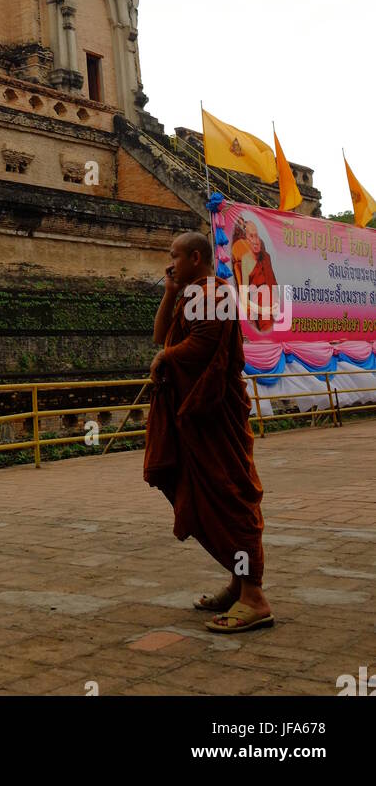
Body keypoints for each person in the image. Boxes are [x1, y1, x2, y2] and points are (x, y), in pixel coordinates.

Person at [143, 231, 273, 632]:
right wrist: (169, 292)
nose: (170, 263)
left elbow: (201, 347)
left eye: (175, 257)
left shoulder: (213, 293)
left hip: (214, 411)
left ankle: (254, 597)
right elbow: (160, 335)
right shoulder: (191, 293)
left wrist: (166, 357)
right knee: (206, 493)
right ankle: (237, 584)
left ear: (195, 257)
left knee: (230, 493)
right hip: (195, 415)